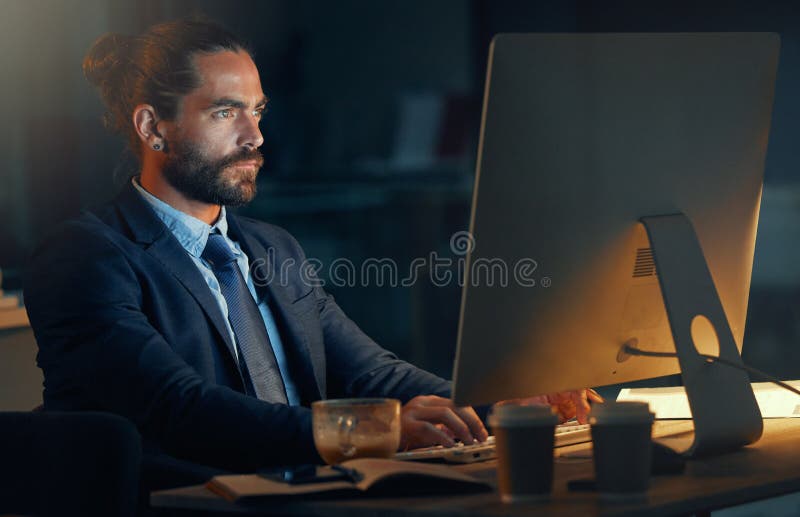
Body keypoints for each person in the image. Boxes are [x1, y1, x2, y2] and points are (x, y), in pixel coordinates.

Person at [24, 18, 599, 484]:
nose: (255, 137)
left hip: (312, 492)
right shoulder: (85, 257)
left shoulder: (274, 248)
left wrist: (503, 403)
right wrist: (380, 432)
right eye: (226, 112)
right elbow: (182, 409)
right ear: (154, 127)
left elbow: (373, 374)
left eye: (257, 111)